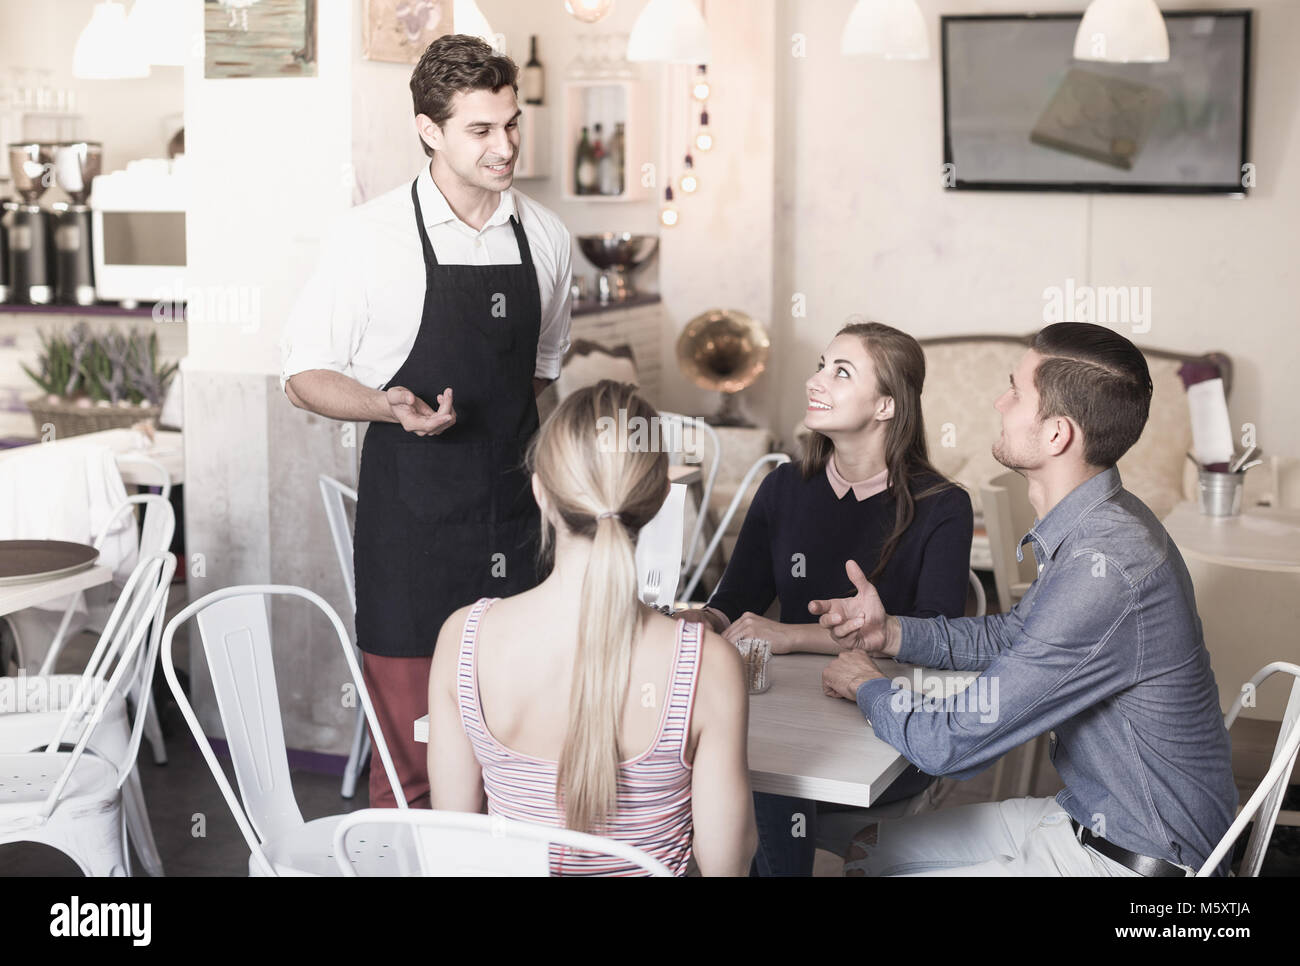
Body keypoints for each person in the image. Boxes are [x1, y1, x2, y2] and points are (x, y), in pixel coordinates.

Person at [814, 322, 1238, 876]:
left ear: (1058, 434)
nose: (999, 401)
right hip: (1083, 821)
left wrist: (865, 684)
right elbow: (1012, 635)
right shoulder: (1100, 527)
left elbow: (950, 744)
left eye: (1015, 391)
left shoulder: (1107, 566)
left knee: (839, 863)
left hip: (1140, 863)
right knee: (857, 849)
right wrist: (889, 632)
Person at [280, 35, 573, 808]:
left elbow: (541, 370)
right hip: (410, 535)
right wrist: (385, 405)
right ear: (428, 129)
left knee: (524, 753)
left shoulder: (546, 237)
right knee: (413, 766)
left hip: (519, 526)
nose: (504, 146)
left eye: (512, 124)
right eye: (481, 130)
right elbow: (301, 374)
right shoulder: (367, 239)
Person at [678, 321, 973, 875]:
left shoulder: (944, 505)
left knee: (754, 765)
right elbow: (734, 599)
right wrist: (696, 618)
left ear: (886, 405)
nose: (817, 381)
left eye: (842, 372)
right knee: (746, 754)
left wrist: (789, 636)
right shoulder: (785, 486)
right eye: (821, 365)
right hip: (791, 714)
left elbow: (938, 639)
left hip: (890, 726)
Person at [426, 382, 757, 875]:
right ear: (661, 496)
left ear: (540, 491)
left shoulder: (463, 639)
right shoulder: (707, 664)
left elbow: (454, 846)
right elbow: (726, 864)